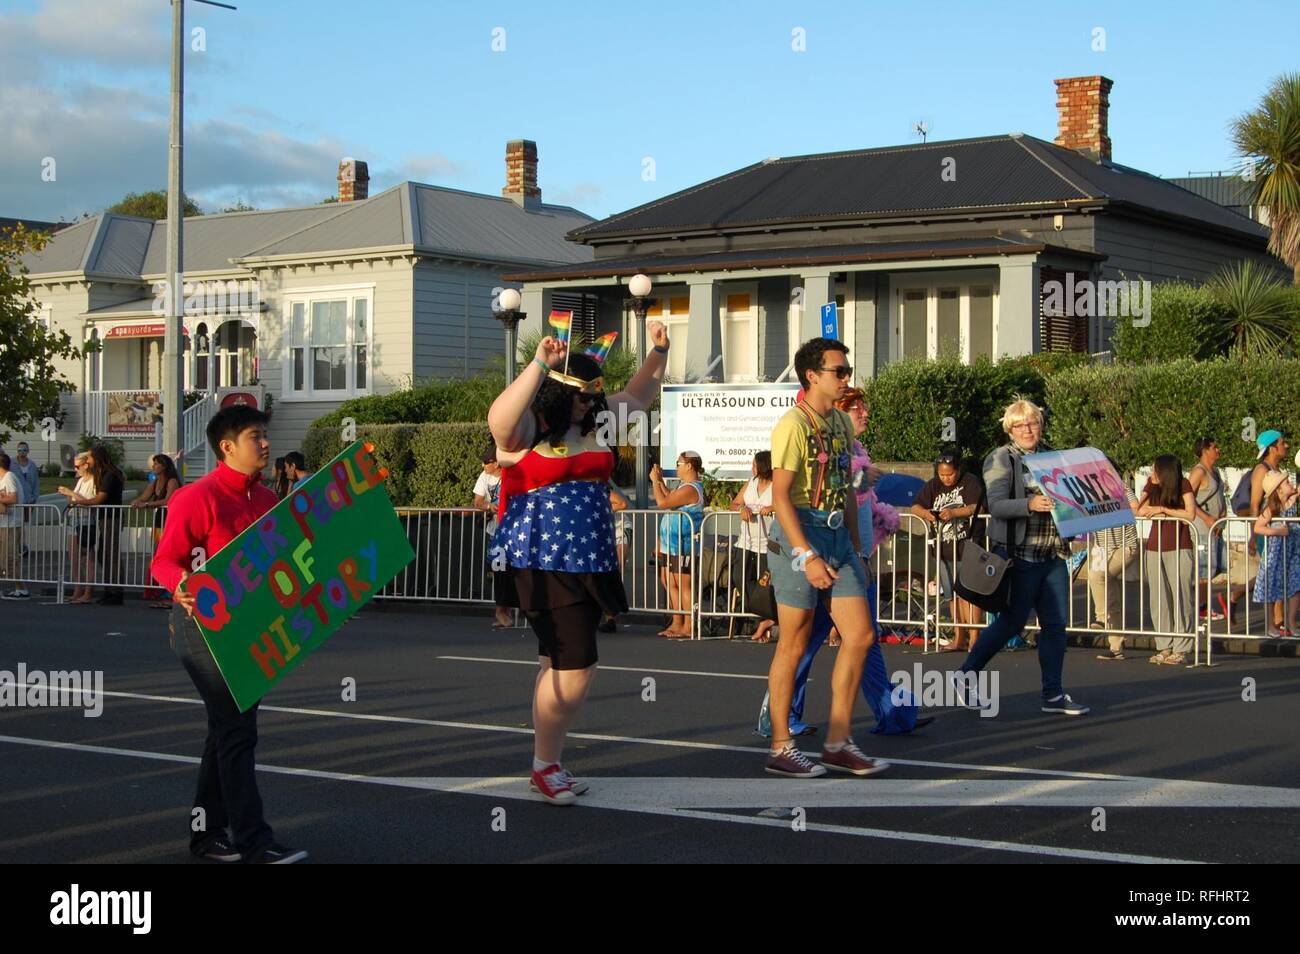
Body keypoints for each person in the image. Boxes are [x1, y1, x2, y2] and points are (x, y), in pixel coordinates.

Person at [487, 321, 667, 805]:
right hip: (541, 558)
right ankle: (545, 765)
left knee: (557, 662)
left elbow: (640, 393)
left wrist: (659, 350)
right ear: (554, 394)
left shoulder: (596, 427)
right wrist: (540, 363)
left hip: (591, 558)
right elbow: (498, 419)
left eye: (593, 396)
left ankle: (548, 763)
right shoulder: (528, 430)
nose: (590, 404)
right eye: (580, 396)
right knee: (576, 664)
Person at [150, 405, 307, 863]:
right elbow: (163, 560)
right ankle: (254, 841)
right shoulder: (197, 497)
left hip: (247, 628)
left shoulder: (264, 500)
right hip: (200, 627)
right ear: (227, 447)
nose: (264, 443)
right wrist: (180, 583)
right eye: (255, 436)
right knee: (237, 729)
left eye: (264, 435)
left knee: (225, 733)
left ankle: (207, 836)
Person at [763, 338, 889, 778]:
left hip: (837, 534)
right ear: (812, 375)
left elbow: (848, 489)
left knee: (860, 635)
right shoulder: (793, 425)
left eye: (847, 370)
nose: (846, 378)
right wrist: (806, 556)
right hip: (801, 531)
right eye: (839, 371)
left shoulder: (840, 422)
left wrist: (858, 547)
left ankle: (837, 741)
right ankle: (781, 745)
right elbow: (779, 497)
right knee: (793, 642)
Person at [774, 386, 930, 738]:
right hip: (820, 552)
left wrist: (867, 544)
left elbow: (855, 503)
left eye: (863, 407)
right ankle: (778, 719)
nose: (863, 413)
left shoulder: (853, 448)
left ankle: (889, 715)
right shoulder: (805, 434)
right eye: (854, 407)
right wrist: (860, 480)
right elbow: (812, 491)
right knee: (800, 643)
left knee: (863, 638)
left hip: (848, 554)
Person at [953, 398, 1089, 716]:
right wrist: (1029, 504)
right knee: (1012, 622)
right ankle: (965, 674)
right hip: (1020, 555)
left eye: (1033, 423)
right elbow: (996, 504)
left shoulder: (1053, 456)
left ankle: (1053, 694)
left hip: (1052, 553)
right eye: (1021, 425)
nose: (1028, 429)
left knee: (1055, 626)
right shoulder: (1001, 458)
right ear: (1009, 429)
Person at [912, 447, 984, 652]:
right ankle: (958, 636)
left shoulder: (970, 481)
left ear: (958, 470)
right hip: (943, 549)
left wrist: (954, 513)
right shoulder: (934, 485)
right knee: (951, 595)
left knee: (969, 595)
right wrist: (926, 514)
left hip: (967, 545)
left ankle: (975, 638)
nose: (946, 478)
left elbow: (977, 507)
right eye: (942, 474)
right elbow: (915, 506)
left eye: (950, 474)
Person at [1137, 454, 1197, 665]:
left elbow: (1190, 514)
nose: (1152, 473)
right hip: (1154, 546)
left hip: (1179, 545)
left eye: (1155, 469)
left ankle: (1182, 647)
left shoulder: (1184, 484)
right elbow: (1138, 508)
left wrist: (1163, 510)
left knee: (1181, 596)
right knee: (1158, 597)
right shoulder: (1152, 485)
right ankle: (1164, 645)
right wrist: (1149, 488)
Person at [1088, 459, 1141, 661]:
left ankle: (1101, 618)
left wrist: (1117, 510)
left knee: (1097, 577)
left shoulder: (1121, 487)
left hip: (1124, 546)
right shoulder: (1091, 491)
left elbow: (1136, 507)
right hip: (1101, 547)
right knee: (1109, 591)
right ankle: (1116, 645)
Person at [651, 452, 705, 639]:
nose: (677, 467)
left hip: (684, 545)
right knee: (669, 582)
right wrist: (661, 484)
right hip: (671, 544)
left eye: (679, 463)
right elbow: (670, 498)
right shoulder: (684, 487)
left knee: (683, 585)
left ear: (690, 466)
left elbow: (663, 503)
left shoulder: (692, 488)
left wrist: (655, 482)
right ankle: (677, 622)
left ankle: (689, 625)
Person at [1248, 430, 1290, 631]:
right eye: (1283, 442)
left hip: (1280, 530)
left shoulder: (1276, 468)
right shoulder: (1261, 470)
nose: (1287, 446)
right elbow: (1255, 504)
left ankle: (1279, 622)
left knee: (1280, 573)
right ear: (1273, 447)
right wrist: (1253, 536)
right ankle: (1275, 623)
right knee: (1272, 573)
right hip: (1269, 531)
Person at [731, 451, 774, 641]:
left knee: (764, 586)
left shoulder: (776, 486)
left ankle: (765, 622)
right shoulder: (750, 483)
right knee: (739, 578)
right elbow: (734, 503)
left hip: (767, 545)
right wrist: (742, 508)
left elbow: (787, 504)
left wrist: (771, 509)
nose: (752, 467)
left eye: (754, 464)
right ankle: (759, 617)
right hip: (746, 542)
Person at [1252, 471, 1300, 637]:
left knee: (1296, 586)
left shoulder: (1292, 502)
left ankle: (1291, 623)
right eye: (1286, 483)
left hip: (1292, 551)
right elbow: (1258, 527)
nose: (1290, 484)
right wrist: (1278, 531)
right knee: (1270, 588)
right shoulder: (1272, 509)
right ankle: (1270, 625)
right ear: (1278, 491)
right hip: (1275, 553)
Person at [132, 454, 183, 608]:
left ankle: (169, 592)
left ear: (164, 466)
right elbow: (145, 496)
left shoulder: (171, 481)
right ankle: (158, 590)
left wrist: (147, 504)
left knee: (167, 556)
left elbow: (168, 500)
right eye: (153, 464)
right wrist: (138, 501)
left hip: (170, 522)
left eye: (157, 464)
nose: (153, 466)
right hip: (159, 522)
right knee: (157, 554)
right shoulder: (155, 482)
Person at [472, 442, 512, 629]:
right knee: (498, 571)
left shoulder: (510, 475)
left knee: (511, 572)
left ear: (497, 463)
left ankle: (505, 611)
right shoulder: (484, 476)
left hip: (513, 532)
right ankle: (502, 611)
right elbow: (477, 501)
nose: (483, 466)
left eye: (486, 462)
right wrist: (488, 506)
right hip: (495, 532)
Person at [1188, 437, 1227, 621]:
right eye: (1214, 447)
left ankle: (1202, 606)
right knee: (1203, 569)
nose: (1218, 450)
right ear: (1205, 450)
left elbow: (1220, 496)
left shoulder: (1216, 472)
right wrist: (1207, 518)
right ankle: (1201, 608)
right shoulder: (1199, 472)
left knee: (1211, 568)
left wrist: (1221, 517)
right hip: (1202, 528)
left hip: (1215, 528)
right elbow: (1188, 499)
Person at [59, 453, 97, 603]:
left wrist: (71, 493)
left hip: (86, 519)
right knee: (73, 556)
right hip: (74, 518)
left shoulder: (93, 481)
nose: (76, 469)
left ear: (86, 465)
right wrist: (68, 495)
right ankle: (78, 589)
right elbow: (74, 500)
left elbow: (90, 501)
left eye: (77, 466)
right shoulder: (80, 480)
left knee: (88, 557)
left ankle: (88, 591)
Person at [602, 483, 632, 633]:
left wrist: (602, 511)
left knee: (617, 569)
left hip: (620, 529)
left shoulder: (603, 488)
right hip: (603, 531)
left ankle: (612, 616)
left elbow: (622, 503)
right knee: (602, 573)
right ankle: (608, 616)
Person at [0, 452, 27, 600]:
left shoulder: (9, 477)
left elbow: (13, 497)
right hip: (3, 523)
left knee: (10, 557)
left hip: (11, 524)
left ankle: (21, 588)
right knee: (2, 558)